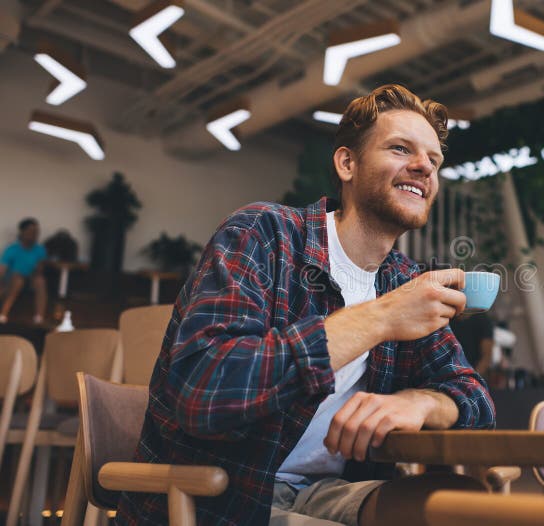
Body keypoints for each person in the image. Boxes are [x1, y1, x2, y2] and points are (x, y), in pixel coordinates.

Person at [115, 84, 495, 526]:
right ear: (347, 162)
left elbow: (476, 399)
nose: (423, 168)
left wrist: (422, 403)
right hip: (224, 498)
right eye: (400, 148)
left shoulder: (404, 280)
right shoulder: (265, 234)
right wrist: (380, 318)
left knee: (464, 505)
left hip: (326, 495)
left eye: (433, 160)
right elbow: (203, 386)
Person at [0, 218, 48, 324]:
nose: (34, 234)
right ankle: (3, 314)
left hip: (30, 278)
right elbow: (2, 270)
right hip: (12, 280)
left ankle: (39, 318)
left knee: (40, 281)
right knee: (18, 279)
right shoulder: (12, 249)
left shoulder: (40, 250)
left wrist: (35, 273)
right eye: (31, 231)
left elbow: (40, 269)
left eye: (36, 232)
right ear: (22, 232)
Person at [449, 312, 494, 376]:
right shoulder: (448, 318)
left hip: (470, 375)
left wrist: (472, 377)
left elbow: (486, 356)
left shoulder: (482, 320)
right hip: (449, 375)